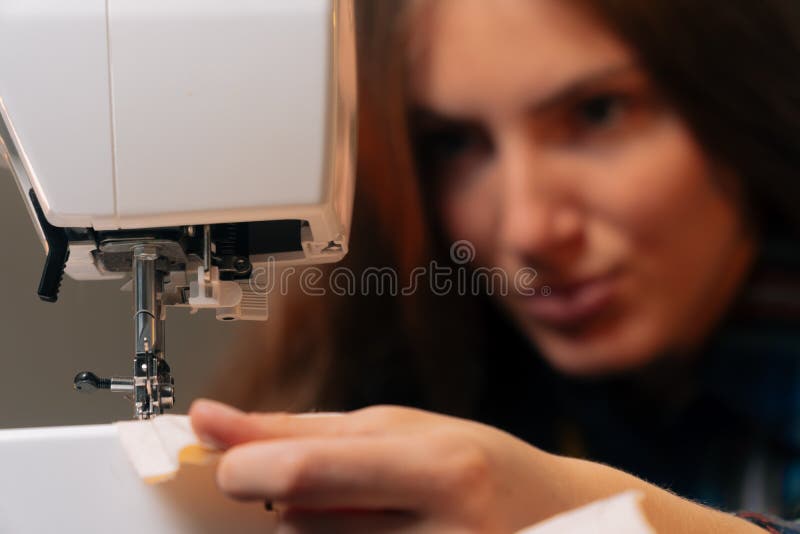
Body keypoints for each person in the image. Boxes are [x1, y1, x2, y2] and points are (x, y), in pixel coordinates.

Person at [190, 0, 800, 531]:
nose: (527, 229)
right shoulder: (427, 350)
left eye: (599, 113)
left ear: (739, 98)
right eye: (455, 143)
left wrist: (600, 516)